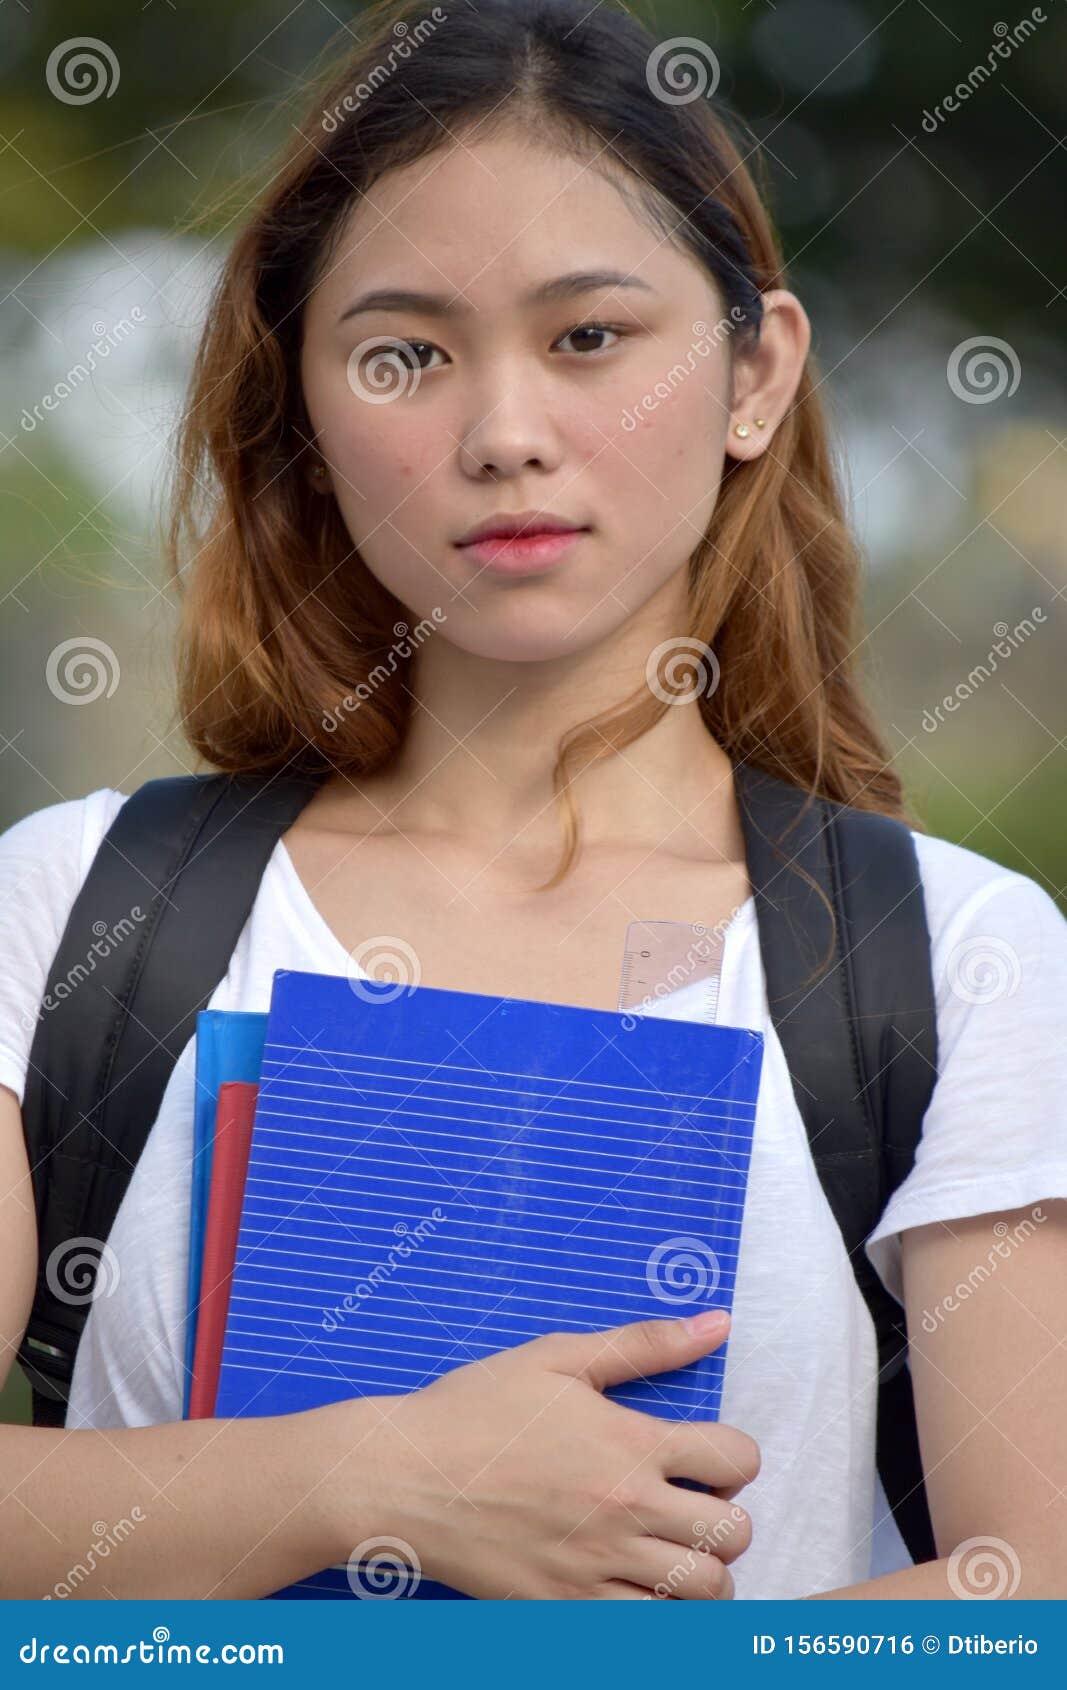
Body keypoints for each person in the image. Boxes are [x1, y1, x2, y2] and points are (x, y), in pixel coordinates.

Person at [2, 0, 1065, 1602]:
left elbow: (1031, 1594)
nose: (503, 435)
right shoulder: (80, 907)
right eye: (404, 352)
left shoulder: (953, 956)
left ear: (755, 374)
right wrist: (370, 1475)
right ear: (304, 402)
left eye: (589, 337)